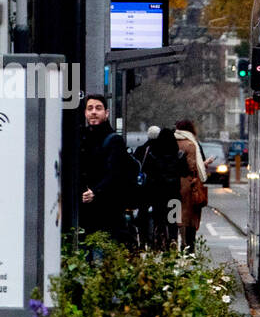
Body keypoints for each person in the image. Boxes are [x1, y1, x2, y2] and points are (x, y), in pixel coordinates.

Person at [78, 94, 129, 242]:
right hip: (85, 211)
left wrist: (95, 192)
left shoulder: (115, 141)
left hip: (108, 213)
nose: (94, 112)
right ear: (85, 113)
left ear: (106, 113)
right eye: (90, 108)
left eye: (98, 108)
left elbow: (116, 174)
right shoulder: (80, 137)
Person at [132, 125, 183, 250]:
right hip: (175, 195)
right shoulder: (179, 156)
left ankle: (159, 243)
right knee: (173, 221)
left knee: (159, 220)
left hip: (158, 195)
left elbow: (147, 172)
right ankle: (173, 241)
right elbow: (184, 172)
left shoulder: (153, 155)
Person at [174, 118, 209, 251]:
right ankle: (188, 246)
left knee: (174, 215)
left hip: (173, 184)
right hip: (187, 185)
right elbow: (193, 166)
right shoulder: (190, 144)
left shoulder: (170, 141)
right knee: (189, 218)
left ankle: (173, 243)